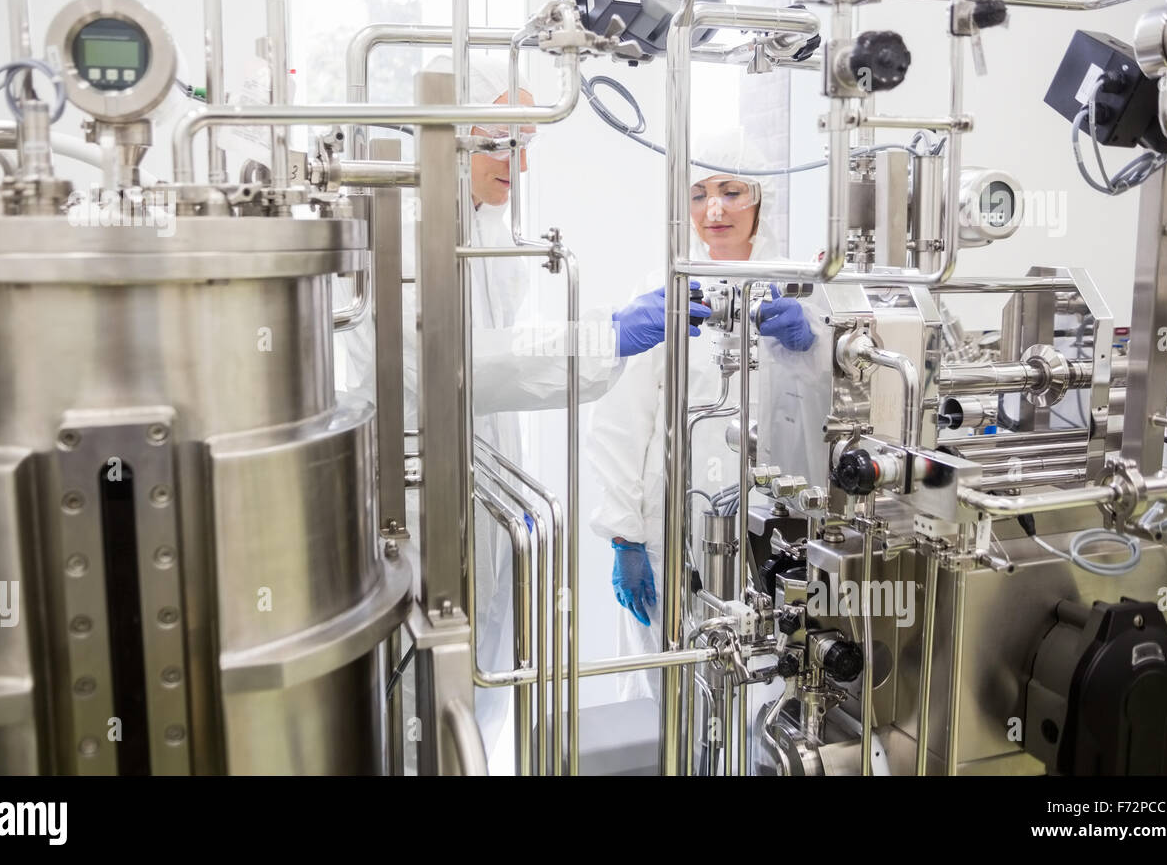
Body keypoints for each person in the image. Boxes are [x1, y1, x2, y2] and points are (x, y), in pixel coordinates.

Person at [337, 53, 709, 763]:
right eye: (506, 142)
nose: (523, 164)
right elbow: (459, 364)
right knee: (419, 712)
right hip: (414, 510)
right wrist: (606, 335)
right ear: (454, 136)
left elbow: (503, 352)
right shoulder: (406, 237)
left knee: (477, 701)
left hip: (481, 502)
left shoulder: (482, 229)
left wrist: (604, 330)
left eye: (527, 144)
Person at [586, 130, 815, 702]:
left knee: (762, 680)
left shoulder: (800, 291)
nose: (713, 209)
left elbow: (827, 414)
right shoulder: (662, 290)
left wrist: (815, 346)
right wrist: (625, 536)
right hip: (670, 528)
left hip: (769, 525)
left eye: (730, 191)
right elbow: (621, 420)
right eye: (699, 194)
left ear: (760, 199)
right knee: (674, 687)